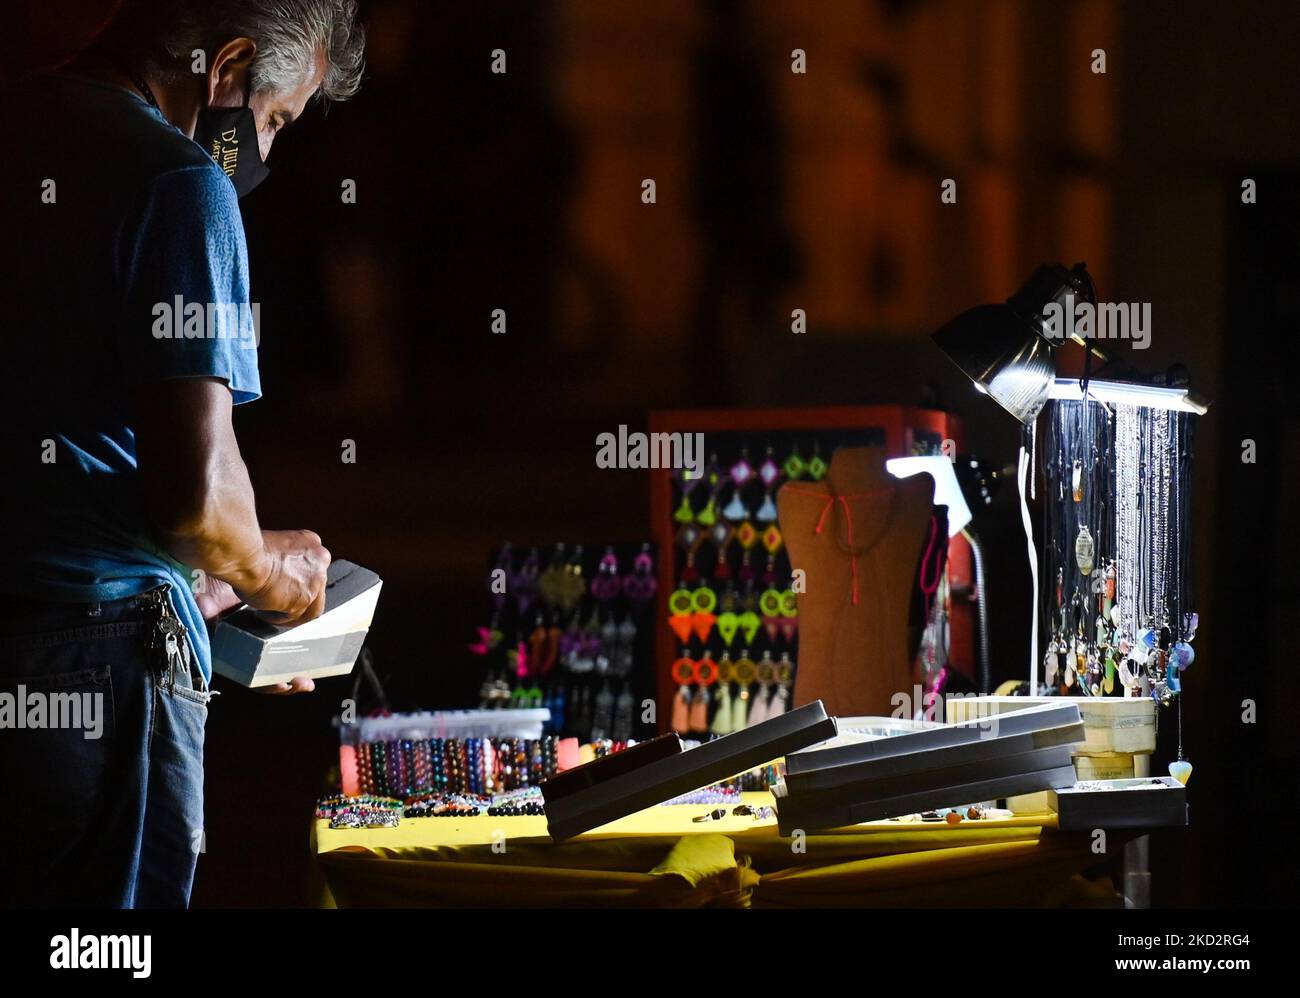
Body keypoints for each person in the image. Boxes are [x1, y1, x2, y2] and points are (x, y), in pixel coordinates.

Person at [0, 0, 365, 907]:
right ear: (229, 66)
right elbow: (197, 500)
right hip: (96, 664)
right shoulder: (180, 182)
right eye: (276, 117)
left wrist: (211, 568)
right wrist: (270, 575)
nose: (268, 154)